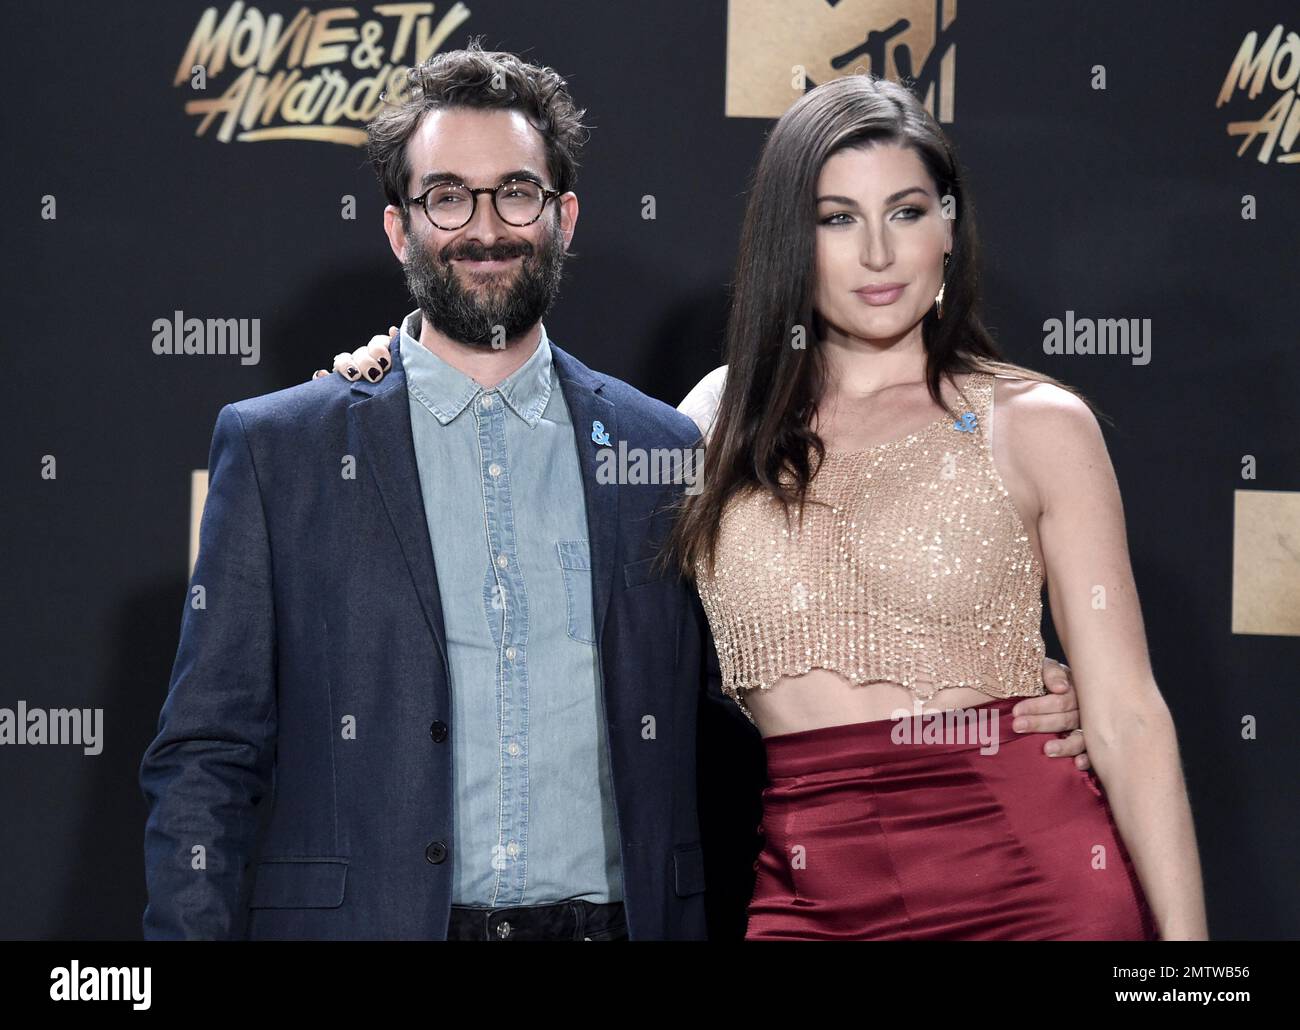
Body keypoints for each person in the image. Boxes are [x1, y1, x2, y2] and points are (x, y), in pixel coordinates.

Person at [318, 58, 1109, 938]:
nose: (874, 251)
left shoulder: (1031, 422)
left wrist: (1024, 695)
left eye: (906, 212)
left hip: (1023, 866)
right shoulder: (704, 425)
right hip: (809, 892)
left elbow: (1128, 709)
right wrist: (383, 374)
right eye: (835, 218)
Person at [140, 42, 716, 941]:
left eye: (516, 192)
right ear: (400, 229)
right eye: (447, 195)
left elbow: (728, 726)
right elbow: (209, 760)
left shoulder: (661, 449)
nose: (485, 228)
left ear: (563, 218)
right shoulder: (281, 451)